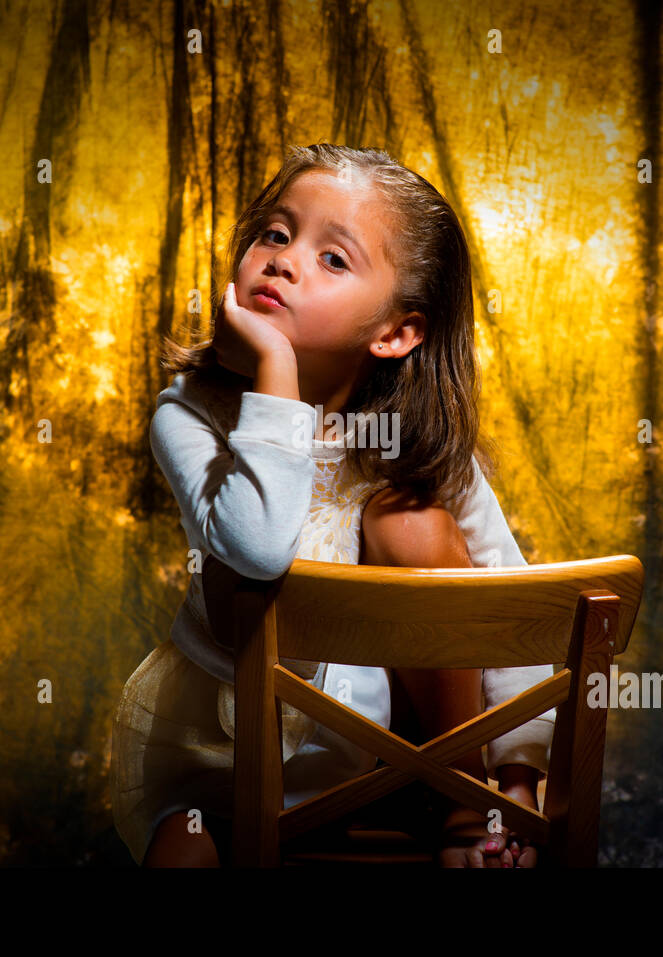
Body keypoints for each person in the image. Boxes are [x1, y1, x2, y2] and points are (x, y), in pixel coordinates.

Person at [112, 144, 555, 868]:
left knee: (410, 523)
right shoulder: (189, 416)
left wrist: (517, 787)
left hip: (389, 761)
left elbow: (508, 623)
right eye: (276, 235)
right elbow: (256, 545)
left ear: (396, 333)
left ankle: (463, 805)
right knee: (181, 858)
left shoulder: (417, 450)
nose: (284, 260)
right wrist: (274, 371)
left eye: (334, 259)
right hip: (222, 761)